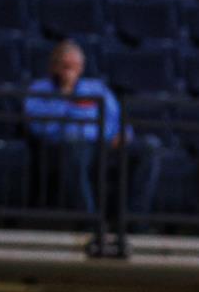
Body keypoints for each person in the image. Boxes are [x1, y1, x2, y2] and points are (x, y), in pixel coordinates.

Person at [25, 41, 155, 218]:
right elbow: (40, 127)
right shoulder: (40, 89)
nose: (69, 71)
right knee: (74, 148)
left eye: (75, 66)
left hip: (106, 143)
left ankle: (133, 219)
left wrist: (124, 133)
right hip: (69, 144)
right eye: (65, 66)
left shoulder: (96, 88)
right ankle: (90, 220)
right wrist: (65, 95)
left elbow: (117, 117)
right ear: (54, 67)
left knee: (149, 147)